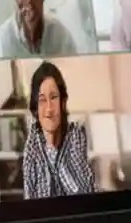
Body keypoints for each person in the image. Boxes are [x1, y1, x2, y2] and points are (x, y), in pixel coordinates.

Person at [22, 62, 95, 199]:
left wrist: (53, 149)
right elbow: (31, 204)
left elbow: (84, 192)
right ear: (35, 108)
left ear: (63, 102)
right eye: (42, 100)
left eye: (54, 98)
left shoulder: (76, 136)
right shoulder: (31, 148)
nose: (49, 108)